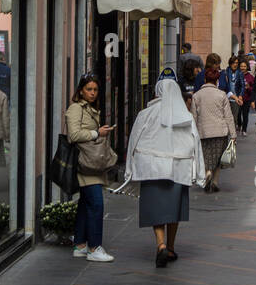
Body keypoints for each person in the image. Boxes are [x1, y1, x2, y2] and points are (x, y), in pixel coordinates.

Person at [125, 67, 205, 267]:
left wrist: (129, 169)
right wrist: (200, 174)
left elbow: (133, 141)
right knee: (174, 209)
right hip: (179, 168)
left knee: (156, 208)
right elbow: (196, 143)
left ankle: (160, 244)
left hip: (152, 169)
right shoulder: (185, 117)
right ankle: (170, 247)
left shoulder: (145, 114)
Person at [66, 72, 117, 262]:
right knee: (96, 204)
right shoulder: (75, 109)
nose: (93, 93)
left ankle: (80, 244)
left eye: (95, 89)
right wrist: (97, 133)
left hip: (91, 164)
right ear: (81, 90)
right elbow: (74, 135)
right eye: (89, 89)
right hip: (84, 163)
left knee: (84, 204)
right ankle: (94, 248)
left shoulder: (90, 109)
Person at [191, 64, 237, 191]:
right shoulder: (221, 95)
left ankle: (207, 173)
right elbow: (228, 116)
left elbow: (194, 117)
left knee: (206, 158)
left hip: (203, 132)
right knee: (218, 159)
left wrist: (192, 134)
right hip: (220, 132)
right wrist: (233, 134)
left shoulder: (197, 96)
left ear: (205, 80)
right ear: (217, 81)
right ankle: (215, 182)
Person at [238, 60, 254, 134]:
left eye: (244, 66)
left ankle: (244, 129)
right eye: (241, 66)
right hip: (238, 98)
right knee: (238, 114)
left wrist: (249, 87)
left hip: (246, 98)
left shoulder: (250, 77)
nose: (243, 68)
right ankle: (239, 124)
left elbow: (253, 89)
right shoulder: (237, 75)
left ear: (247, 67)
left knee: (245, 115)